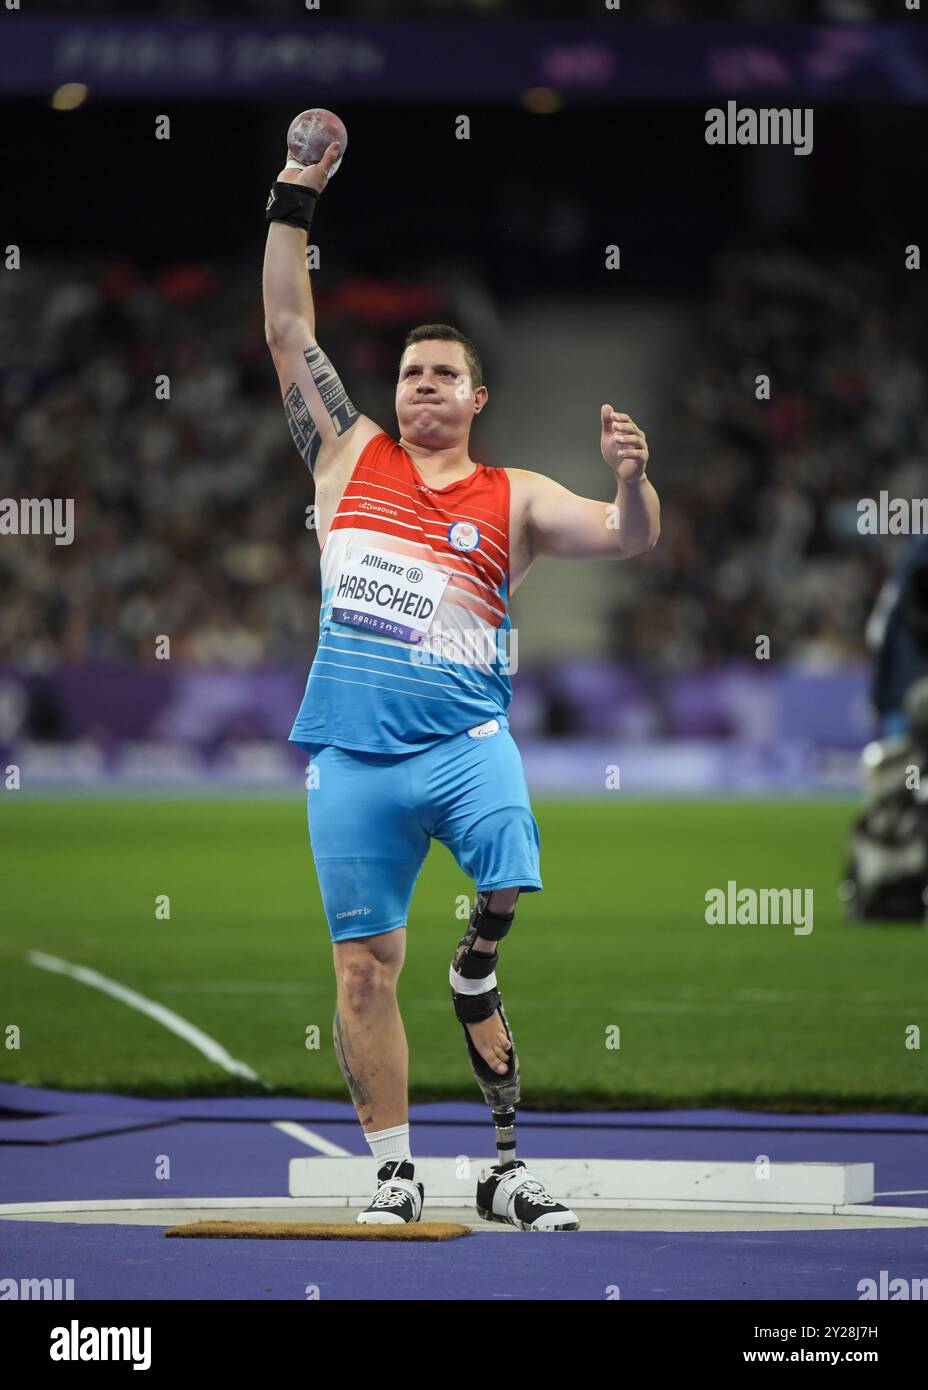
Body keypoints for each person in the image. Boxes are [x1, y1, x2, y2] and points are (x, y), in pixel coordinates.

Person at [262, 139, 660, 1231]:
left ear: (477, 395)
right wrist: (296, 189)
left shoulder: (514, 494)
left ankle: (499, 1151)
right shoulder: (345, 457)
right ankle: (396, 1169)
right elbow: (289, 328)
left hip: (466, 746)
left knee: (486, 936)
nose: (420, 386)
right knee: (362, 972)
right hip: (348, 755)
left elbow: (626, 539)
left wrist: (633, 482)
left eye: (440, 374)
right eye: (408, 374)